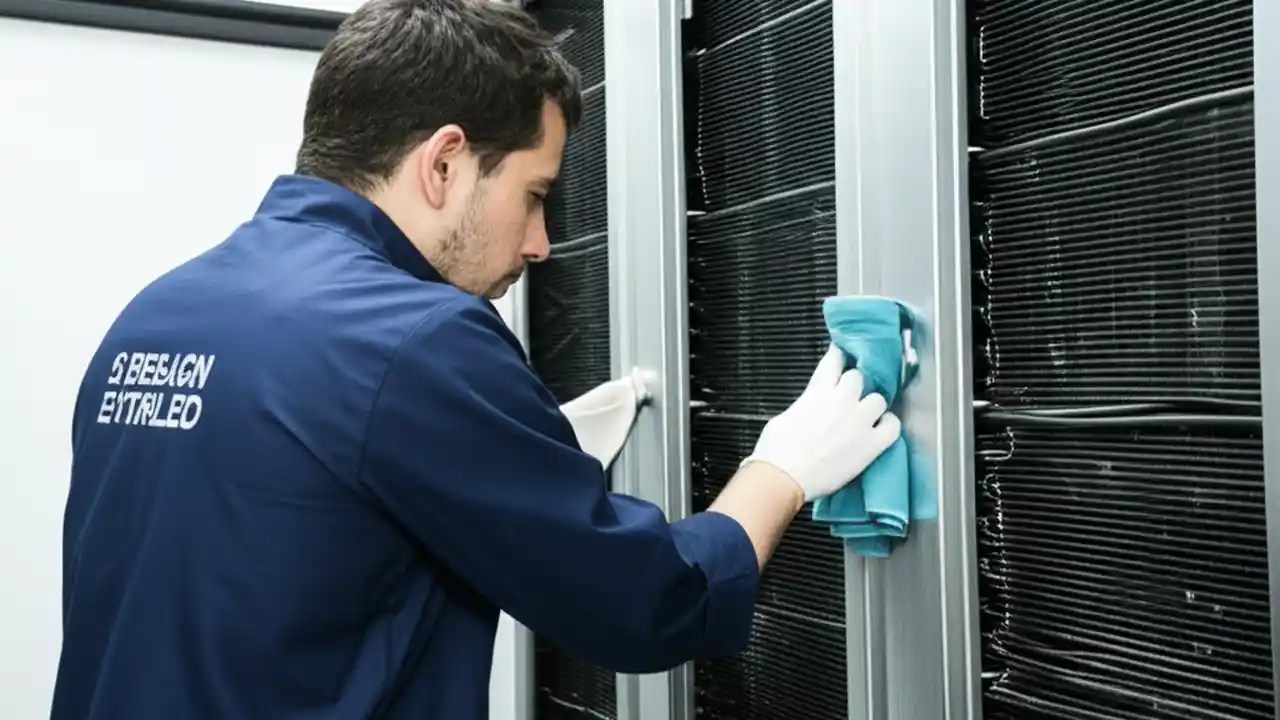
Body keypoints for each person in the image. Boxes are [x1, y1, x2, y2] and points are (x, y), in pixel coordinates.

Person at [49, 0, 901, 718]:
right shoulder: (418, 338)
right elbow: (647, 605)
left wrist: (507, 449)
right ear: (446, 162)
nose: (539, 243)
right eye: (535, 195)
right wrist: (782, 467)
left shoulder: (157, 314)